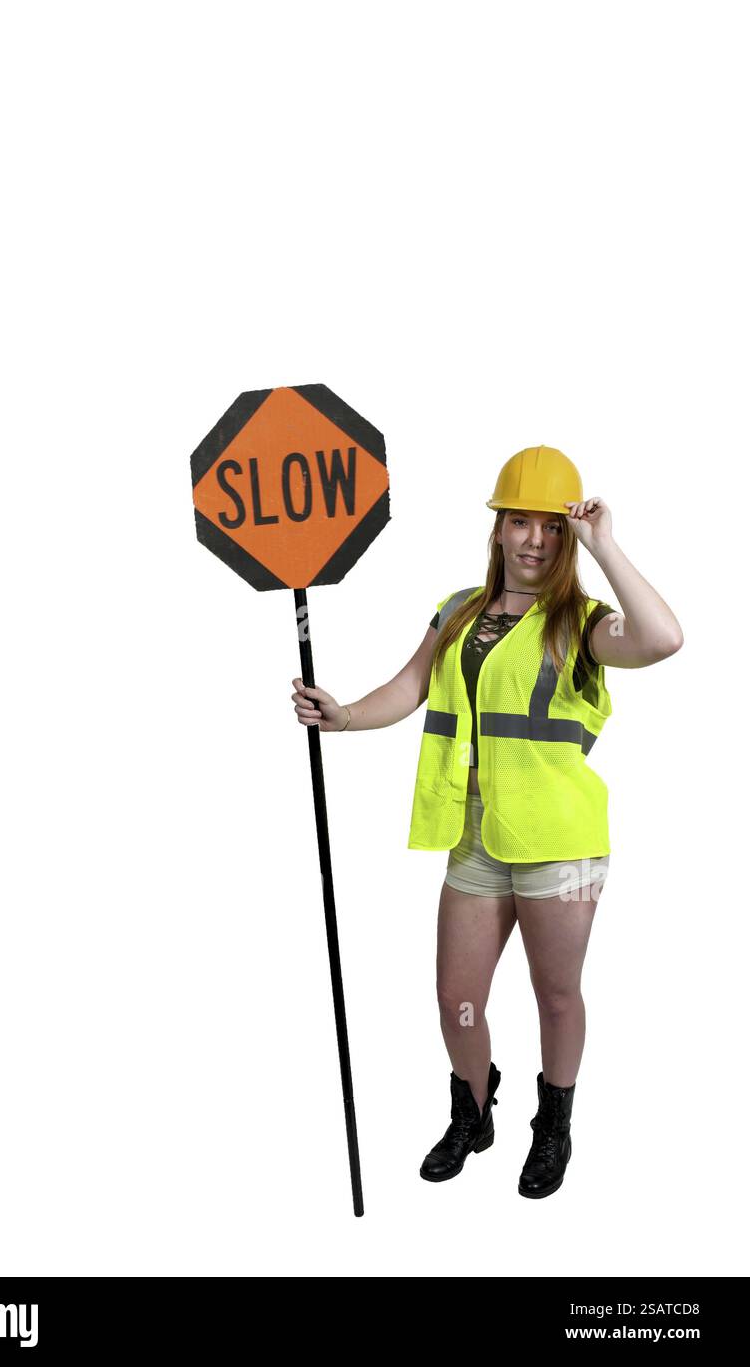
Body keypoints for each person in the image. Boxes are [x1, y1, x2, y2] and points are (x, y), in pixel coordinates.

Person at [291, 446, 683, 1198]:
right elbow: (407, 688)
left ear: (567, 537)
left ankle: (553, 1127)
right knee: (455, 998)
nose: (534, 539)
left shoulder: (586, 621)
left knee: (555, 995)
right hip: (472, 833)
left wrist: (605, 545)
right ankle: (472, 1112)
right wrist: (341, 718)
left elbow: (663, 638)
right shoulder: (456, 609)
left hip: (557, 844)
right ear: (497, 528)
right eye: (519, 521)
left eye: (550, 526)